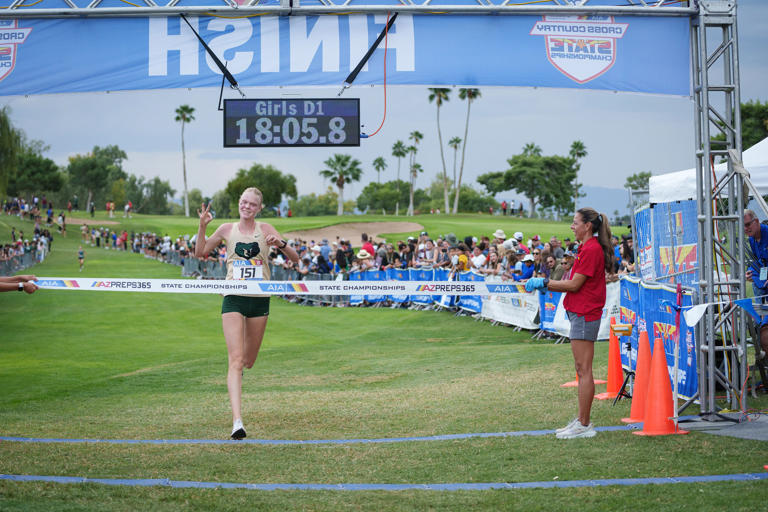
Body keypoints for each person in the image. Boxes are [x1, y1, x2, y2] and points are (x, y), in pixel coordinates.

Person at [195, 187, 298, 440]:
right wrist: (201, 227)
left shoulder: (266, 229)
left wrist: (281, 244)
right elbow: (200, 253)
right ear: (238, 204)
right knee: (236, 360)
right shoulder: (227, 230)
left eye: (252, 204)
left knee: (248, 361)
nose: (247, 207)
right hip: (233, 298)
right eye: (243, 202)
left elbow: (295, 259)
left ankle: (240, 371)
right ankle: (237, 422)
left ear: (259, 208)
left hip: (260, 300)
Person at [526, 207, 613, 440]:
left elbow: (575, 284)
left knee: (584, 370)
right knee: (580, 369)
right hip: (580, 311)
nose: (572, 226)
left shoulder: (592, 249)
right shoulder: (586, 248)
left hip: (585, 312)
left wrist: (545, 283)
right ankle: (582, 421)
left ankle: (584, 424)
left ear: (588, 226)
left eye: (575, 222)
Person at [745, 209, 768, 360]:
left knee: (765, 332)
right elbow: (756, 261)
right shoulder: (752, 240)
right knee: (762, 329)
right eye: (744, 226)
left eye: (748, 224)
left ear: (757, 221)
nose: (746, 229)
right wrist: (749, 272)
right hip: (762, 287)